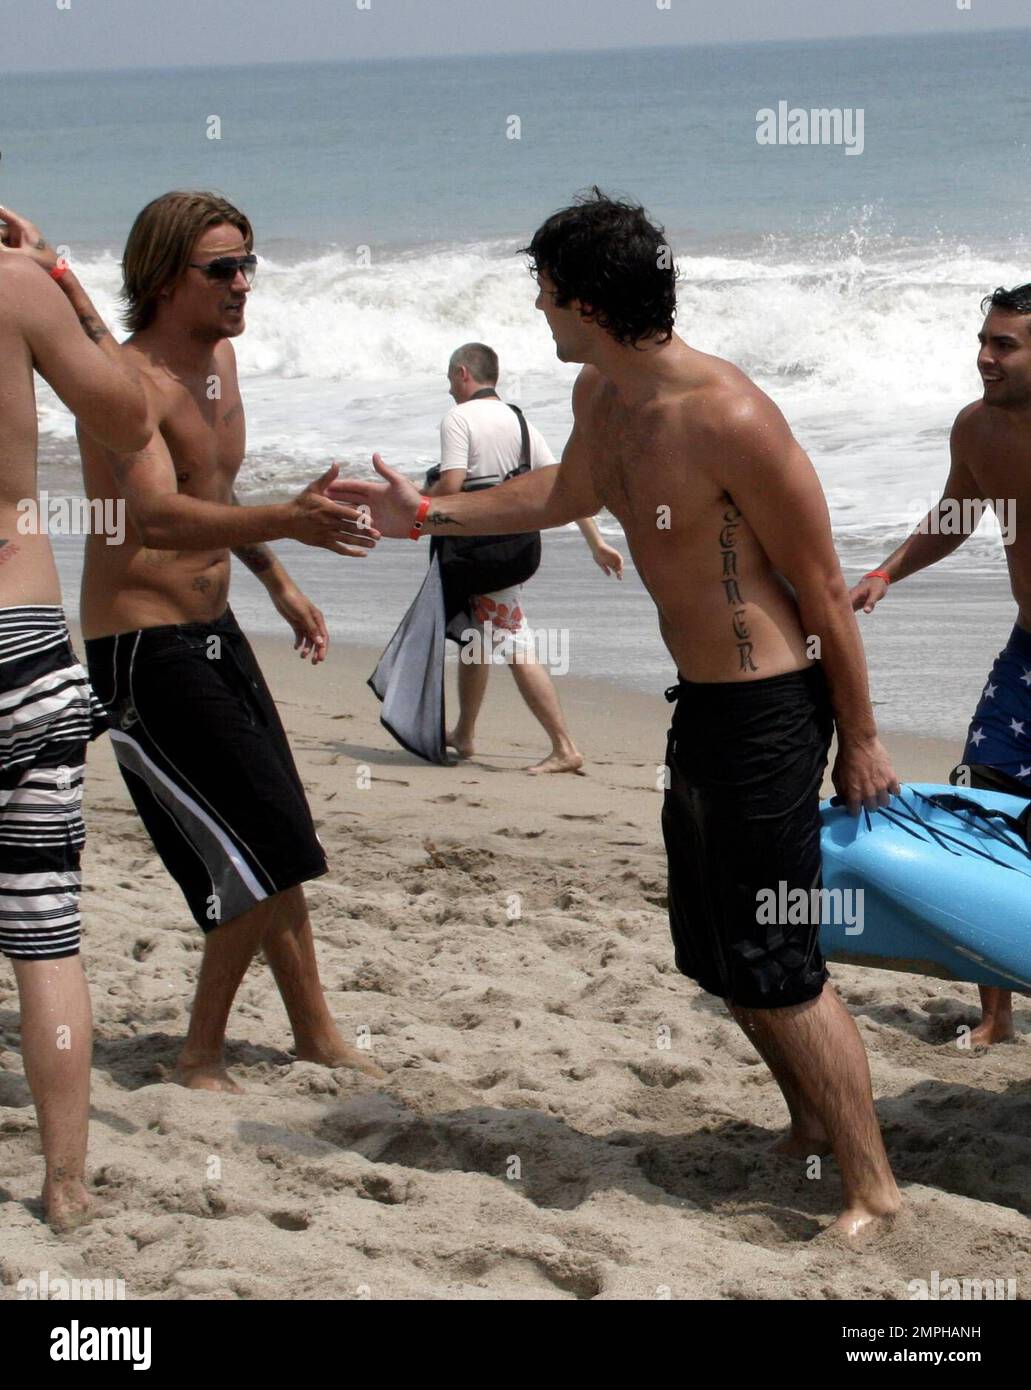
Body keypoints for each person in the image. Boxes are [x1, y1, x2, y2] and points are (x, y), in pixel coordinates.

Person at [333, 189, 904, 1238]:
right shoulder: (603, 394)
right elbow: (559, 497)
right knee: (718, 949)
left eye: (544, 293)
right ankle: (809, 1127)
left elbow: (821, 585)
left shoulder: (725, 414)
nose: (537, 312)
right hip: (701, 704)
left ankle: (873, 1185)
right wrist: (425, 512)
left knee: (777, 957)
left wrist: (858, 739)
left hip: (771, 707)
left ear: (583, 300)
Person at [77, 190, 382, 1093]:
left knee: (278, 829)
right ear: (168, 279)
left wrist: (275, 578)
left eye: (250, 263)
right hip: (142, 647)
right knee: (261, 841)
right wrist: (288, 523)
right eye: (223, 268)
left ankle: (315, 1032)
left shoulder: (220, 365)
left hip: (211, 630)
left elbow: (212, 490)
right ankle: (199, 1056)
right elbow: (157, 517)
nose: (244, 283)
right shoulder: (127, 385)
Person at [0, 203, 152, 1228]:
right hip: (20, 641)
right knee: (46, 934)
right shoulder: (16, 292)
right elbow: (132, 418)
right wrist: (62, 280)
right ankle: (64, 1185)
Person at [851, 283, 1031, 1046]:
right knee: (984, 806)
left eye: (1004, 345)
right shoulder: (977, 429)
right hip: (1027, 656)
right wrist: (886, 572)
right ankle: (996, 1016)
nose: (985, 357)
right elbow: (957, 514)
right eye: (984, 341)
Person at [432, 342, 623, 773]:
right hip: (516, 546)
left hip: (480, 549)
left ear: (463, 373)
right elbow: (563, 487)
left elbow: (451, 485)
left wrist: (413, 505)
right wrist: (596, 543)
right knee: (475, 639)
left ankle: (564, 746)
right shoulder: (520, 422)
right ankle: (464, 733)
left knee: (514, 641)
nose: (449, 389)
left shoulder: (458, 419)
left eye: (450, 380)